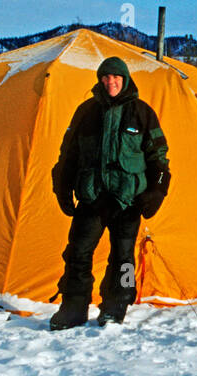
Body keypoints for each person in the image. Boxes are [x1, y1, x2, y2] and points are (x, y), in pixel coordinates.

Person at [49, 56, 170, 330]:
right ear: (100, 81)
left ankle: (117, 305)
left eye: (115, 77)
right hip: (92, 197)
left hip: (128, 199)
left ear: (125, 79)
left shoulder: (142, 112)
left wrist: (156, 191)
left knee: (123, 257)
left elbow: (159, 156)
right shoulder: (86, 112)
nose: (110, 82)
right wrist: (62, 186)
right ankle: (73, 307)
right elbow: (68, 153)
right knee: (78, 252)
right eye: (105, 77)